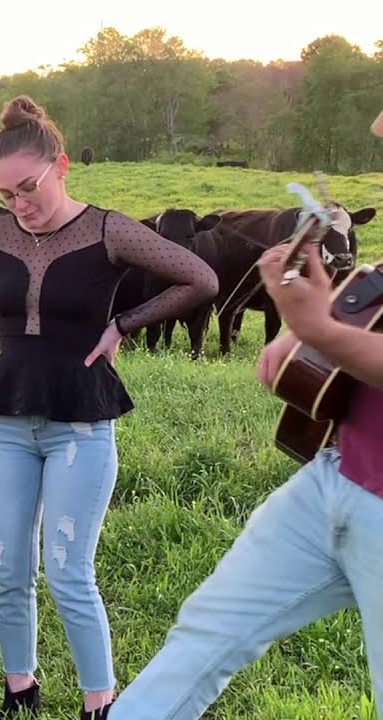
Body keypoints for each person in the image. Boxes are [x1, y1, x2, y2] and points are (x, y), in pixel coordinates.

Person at [0, 95, 219, 720]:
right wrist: (3, 321)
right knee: (8, 568)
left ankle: (100, 703)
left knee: (69, 571)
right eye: (5, 193)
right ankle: (21, 690)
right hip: (7, 423)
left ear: (62, 166)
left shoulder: (107, 229)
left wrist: (123, 323)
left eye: (29, 188)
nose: (19, 204)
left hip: (80, 427)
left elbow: (199, 278)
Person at [108, 107, 383, 720]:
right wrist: (310, 320)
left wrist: (317, 327)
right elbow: (320, 340)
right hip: (334, 480)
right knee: (204, 635)